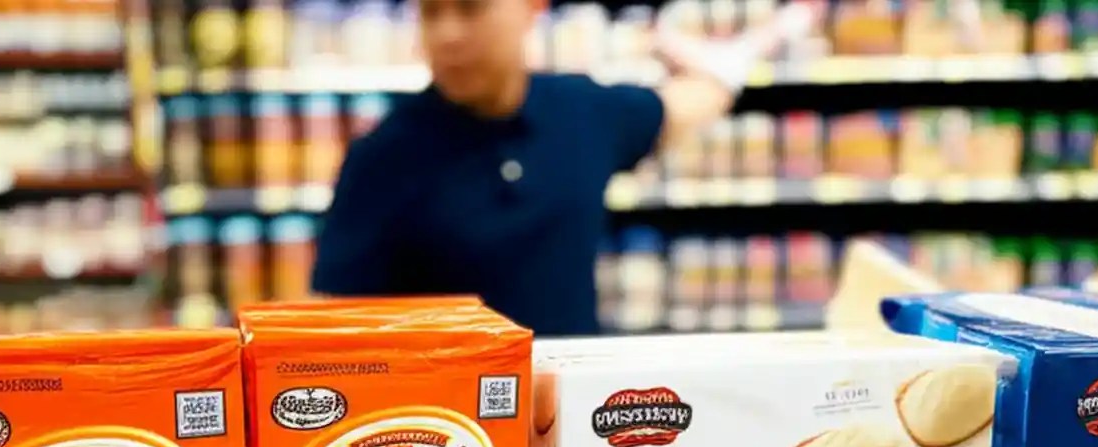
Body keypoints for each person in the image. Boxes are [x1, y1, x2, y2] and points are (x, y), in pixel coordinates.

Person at [312, 0, 818, 336]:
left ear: (531, 9)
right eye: (430, 13)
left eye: (469, 9)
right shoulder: (382, 158)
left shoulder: (582, 112)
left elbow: (691, 102)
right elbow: (335, 325)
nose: (446, 35)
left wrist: (742, 50)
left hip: (575, 421)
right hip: (448, 445)